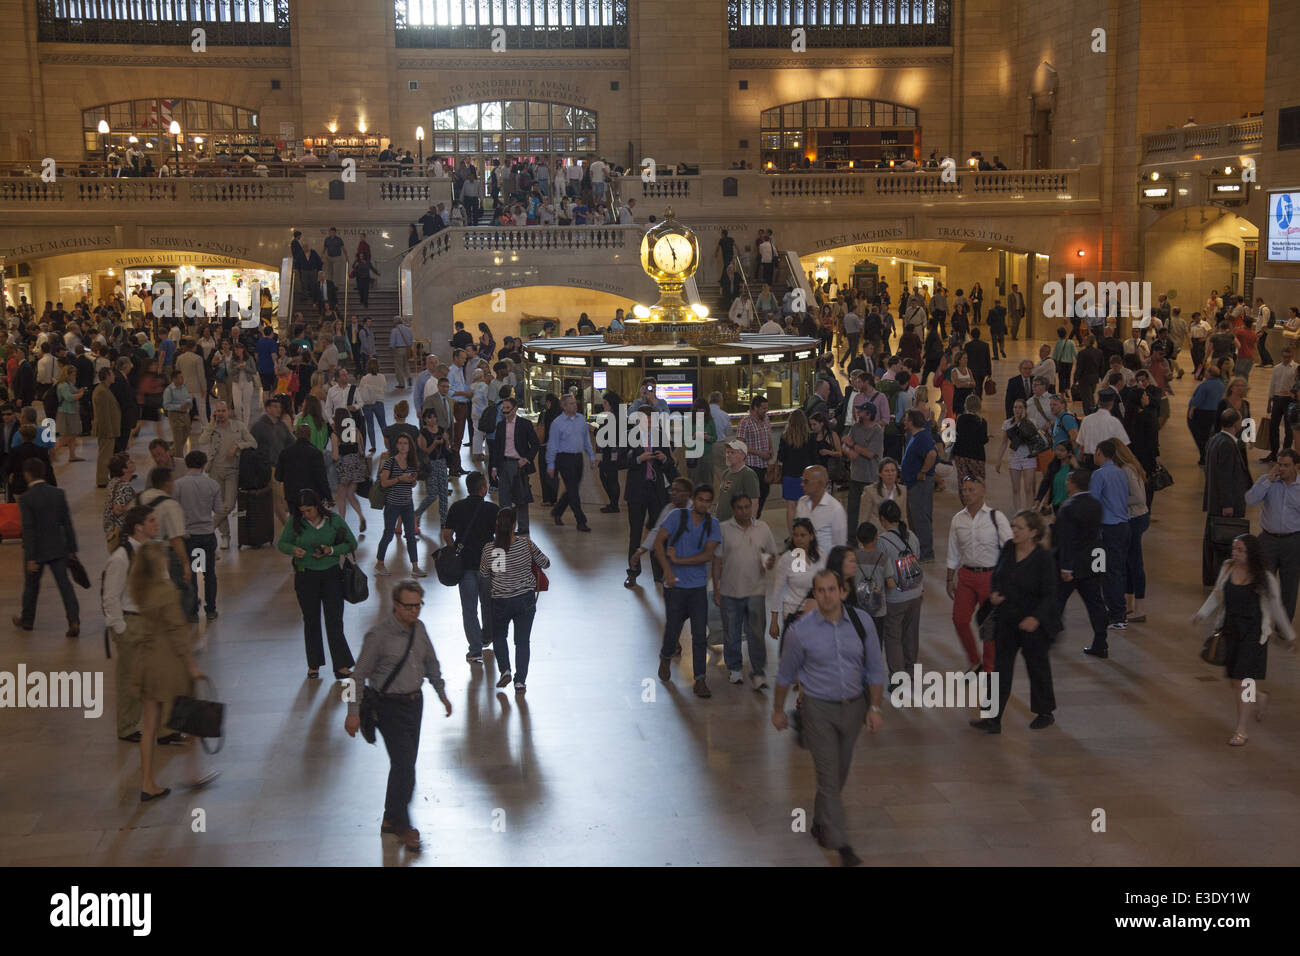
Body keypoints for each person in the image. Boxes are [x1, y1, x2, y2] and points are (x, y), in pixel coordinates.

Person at [772, 567, 886, 867]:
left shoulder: (863, 624)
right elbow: (784, 675)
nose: (825, 596)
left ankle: (821, 819)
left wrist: (874, 708)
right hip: (817, 710)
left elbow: (875, 669)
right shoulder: (801, 631)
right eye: (819, 590)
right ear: (815, 593)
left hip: (854, 708)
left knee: (839, 775)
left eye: (831, 589)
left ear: (843, 591)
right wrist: (777, 710)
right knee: (828, 775)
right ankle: (841, 844)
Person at [344, 579, 452, 852]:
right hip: (388, 707)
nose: (414, 612)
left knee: (406, 765)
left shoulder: (420, 629)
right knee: (404, 765)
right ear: (395, 605)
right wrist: (352, 713)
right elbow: (356, 677)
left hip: (415, 704)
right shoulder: (379, 636)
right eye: (409, 606)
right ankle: (404, 826)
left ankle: (391, 818)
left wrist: (441, 694)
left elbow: (431, 662)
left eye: (418, 606)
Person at [129, 540, 218, 802]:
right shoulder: (166, 591)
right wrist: (192, 666)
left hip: (146, 662)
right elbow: (177, 633)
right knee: (189, 717)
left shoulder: (140, 590)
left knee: (149, 727)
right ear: (159, 564)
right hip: (168, 663)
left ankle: (147, 783)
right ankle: (193, 773)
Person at [1193, 533, 1297, 747]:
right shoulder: (1228, 567)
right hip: (1231, 631)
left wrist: (1290, 635)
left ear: (1252, 553)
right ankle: (1259, 697)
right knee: (1235, 681)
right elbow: (1216, 594)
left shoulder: (1265, 577)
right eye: (1234, 549)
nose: (1235, 554)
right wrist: (1201, 614)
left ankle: (1241, 729)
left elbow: (1276, 608)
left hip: (1253, 635)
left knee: (1244, 681)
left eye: (1240, 550)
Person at [970, 510, 1060, 734]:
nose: (1014, 531)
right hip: (1007, 619)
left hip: (1032, 624)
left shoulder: (1043, 558)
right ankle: (992, 718)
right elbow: (997, 575)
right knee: (1000, 669)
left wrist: (1035, 618)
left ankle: (1044, 712)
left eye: (1019, 528)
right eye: (1013, 526)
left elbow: (1050, 594)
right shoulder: (1009, 547)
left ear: (1033, 532)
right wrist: (994, 594)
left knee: (1037, 667)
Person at [276, 489, 357, 680]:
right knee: (311, 620)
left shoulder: (333, 521)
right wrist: (294, 550)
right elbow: (282, 544)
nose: (306, 515)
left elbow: (351, 543)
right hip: (306, 576)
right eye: (303, 511)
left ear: (318, 507)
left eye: (309, 510)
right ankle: (314, 664)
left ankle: (341, 665)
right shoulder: (295, 523)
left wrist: (331, 550)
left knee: (334, 620)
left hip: (331, 576)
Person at [654, 485, 722, 697]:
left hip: (697, 588)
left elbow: (708, 555)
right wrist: (667, 570)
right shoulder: (677, 516)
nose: (703, 504)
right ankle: (665, 657)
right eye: (700, 499)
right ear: (693, 500)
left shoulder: (713, 524)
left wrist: (678, 560)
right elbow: (658, 543)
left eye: (707, 500)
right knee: (673, 631)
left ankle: (700, 679)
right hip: (675, 588)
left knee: (699, 635)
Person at [479, 508, 550, 693]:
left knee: (500, 636)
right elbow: (546, 563)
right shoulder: (526, 544)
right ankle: (520, 681)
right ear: (514, 525)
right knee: (522, 641)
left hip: (500, 600)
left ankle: (505, 670)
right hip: (525, 600)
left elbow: (486, 574)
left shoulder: (491, 549)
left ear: (497, 524)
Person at [947, 477, 1013, 673]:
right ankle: (975, 661)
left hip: (990, 577)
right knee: (959, 619)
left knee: (989, 626)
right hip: (966, 576)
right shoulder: (958, 519)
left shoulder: (996, 517)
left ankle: (989, 668)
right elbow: (953, 551)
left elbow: (1009, 549)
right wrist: (950, 578)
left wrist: (1007, 580)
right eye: (964, 490)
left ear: (982, 491)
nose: (967, 493)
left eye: (971, 490)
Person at [713, 492, 778, 688]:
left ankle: (758, 672)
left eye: (747, 507)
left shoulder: (763, 528)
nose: (744, 511)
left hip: (756, 590)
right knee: (731, 632)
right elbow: (717, 560)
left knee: (756, 633)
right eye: (740, 508)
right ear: (733, 510)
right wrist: (716, 589)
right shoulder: (724, 529)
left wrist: (768, 562)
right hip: (729, 590)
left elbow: (771, 555)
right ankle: (734, 669)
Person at [11, 459, 79, 637]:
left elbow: (29, 528)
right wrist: (72, 548)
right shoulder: (58, 494)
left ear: (27, 475)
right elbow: (67, 523)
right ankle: (73, 621)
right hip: (58, 547)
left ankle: (27, 620)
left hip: (37, 550)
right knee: (65, 586)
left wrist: (31, 556)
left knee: (31, 587)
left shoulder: (26, 499)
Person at [443, 471, 499, 663]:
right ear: (483, 489)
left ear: (468, 488)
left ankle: (475, 649)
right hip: (488, 566)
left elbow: (447, 534)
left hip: (465, 565)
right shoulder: (493, 510)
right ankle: (487, 636)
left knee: (469, 608)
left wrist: (454, 550)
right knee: (488, 604)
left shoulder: (457, 507)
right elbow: (501, 538)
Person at [1246, 449, 1300, 622]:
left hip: (1292, 541)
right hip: (1267, 540)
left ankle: (1283, 626)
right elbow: (1250, 500)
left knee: (1289, 586)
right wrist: (1268, 481)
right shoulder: (1267, 481)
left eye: (1286, 465)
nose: (1281, 468)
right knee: (1262, 583)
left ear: (1296, 467)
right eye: (1279, 464)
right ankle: (1260, 621)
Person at [195, 400, 258, 549]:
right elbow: (202, 441)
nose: (221, 414)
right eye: (218, 411)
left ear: (228, 411)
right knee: (218, 505)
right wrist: (210, 424)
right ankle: (225, 536)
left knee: (229, 505)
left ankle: (208, 528)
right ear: (214, 413)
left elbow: (253, 443)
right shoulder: (212, 428)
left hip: (232, 471)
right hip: (215, 471)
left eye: (223, 411)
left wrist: (238, 446)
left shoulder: (238, 426)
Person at [1202, 407, 1252, 587]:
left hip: (1214, 501)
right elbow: (1225, 476)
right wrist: (1228, 504)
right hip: (1225, 504)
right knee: (1224, 542)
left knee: (1212, 540)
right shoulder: (1227, 444)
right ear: (1236, 424)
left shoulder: (1215, 440)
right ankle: (1221, 578)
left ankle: (1211, 576)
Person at [874, 498, 923, 678]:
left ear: (882, 519)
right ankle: (910, 672)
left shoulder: (882, 541)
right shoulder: (912, 536)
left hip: (895, 597)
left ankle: (897, 676)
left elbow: (881, 571)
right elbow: (917, 561)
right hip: (915, 593)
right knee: (911, 635)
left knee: (893, 637)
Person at [173, 450, 223, 623]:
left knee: (192, 573)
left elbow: (175, 509)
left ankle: (193, 609)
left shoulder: (179, 485)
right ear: (203, 465)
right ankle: (211, 609)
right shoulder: (212, 484)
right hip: (207, 535)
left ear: (187, 465)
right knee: (209, 574)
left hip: (190, 537)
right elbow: (218, 510)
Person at [1090, 439, 1133, 632]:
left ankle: (1117, 614)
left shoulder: (1099, 475)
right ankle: (1117, 611)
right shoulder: (1121, 473)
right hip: (1123, 527)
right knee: (1117, 571)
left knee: (1105, 572)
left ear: (1100, 452)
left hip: (1106, 530)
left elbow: (1094, 504)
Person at [1108, 441, 1150, 625]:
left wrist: (1117, 499)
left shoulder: (1126, 469)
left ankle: (1139, 608)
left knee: (1135, 563)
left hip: (1135, 518)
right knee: (1129, 561)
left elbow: (1139, 498)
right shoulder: (1129, 466)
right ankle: (1129, 603)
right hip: (1133, 518)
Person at [374, 433, 425, 577]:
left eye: (406, 443)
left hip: (407, 503)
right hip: (392, 504)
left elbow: (413, 483)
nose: (403, 446)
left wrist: (412, 481)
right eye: (401, 443)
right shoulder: (390, 462)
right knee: (388, 534)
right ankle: (379, 563)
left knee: (410, 535)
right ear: (396, 446)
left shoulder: (412, 463)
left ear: (410, 447)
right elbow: (384, 483)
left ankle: (415, 567)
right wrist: (399, 479)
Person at [546, 393, 595, 533]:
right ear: (564, 406)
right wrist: (551, 465)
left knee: (572, 489)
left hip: (578, 458)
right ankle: (581, 521)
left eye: (575, 403)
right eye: (571, 403)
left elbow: (586, 441)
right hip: (564, 459)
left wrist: (591, 456)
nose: (575, 405)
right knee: (573, 490)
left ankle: (557, 511)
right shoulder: (557, 423)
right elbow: (552, 445)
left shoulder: (581, 420)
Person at [899, 408, 940, 560]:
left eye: (906, 419)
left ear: (911, 421)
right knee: (914, 518)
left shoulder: (922, 436)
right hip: (913, 484)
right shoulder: (917, 435)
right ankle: (918, 550)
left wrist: (923, 471)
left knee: (921, 517)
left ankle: (926, 553)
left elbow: (932, 454)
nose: (904, 421)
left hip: (920, 485)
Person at [841, 401, 883, 534]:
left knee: (871, 513)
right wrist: (849, 451)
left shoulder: (877, 431)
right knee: (853, 511)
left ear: (868, 414)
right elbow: (844, 444)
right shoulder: (855, 427)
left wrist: (853, 445)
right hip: (855, 477)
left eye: (860, 412)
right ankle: (852, 539)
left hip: (871, 479)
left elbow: (870, 453)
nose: (857, 414)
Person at [996, 398, 1040, 512]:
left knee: (1028, 488)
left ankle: (1029, 513)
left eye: (1020, 407)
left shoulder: (1032, 422)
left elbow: (1033, 437)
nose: (1017, 410)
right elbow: (1004, 443)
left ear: (1025, 409)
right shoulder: (1007, 423)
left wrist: (1024, 419)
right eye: (1015, 407)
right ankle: (1018, 512)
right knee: (1016, 488)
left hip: (1028, 457)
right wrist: (999, 459)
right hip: (1014, 457)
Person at [737, 394, 774, 516]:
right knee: (753, 495)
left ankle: (756, 516)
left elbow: (768, 435)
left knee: (764, 492)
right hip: (751, 465)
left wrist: (771, 449)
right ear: (755, 408)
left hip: (764, 465)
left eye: (766, 408)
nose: (766, 411)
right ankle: (750, 517)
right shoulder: (745, 422)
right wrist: (759, 453)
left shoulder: (766, 420)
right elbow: (740, 445)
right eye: (763, 408)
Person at [713, 438, 759, 522]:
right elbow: (722, 496)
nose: (728, 455)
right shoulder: (726, 473)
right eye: (727, 452)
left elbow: (754, 502)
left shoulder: (748, 474)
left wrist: (750, 525)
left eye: (732, 452)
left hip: (737, 524)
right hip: (721, 521)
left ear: (743, 456)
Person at [389, 316, 414, 389]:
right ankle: (409, 377)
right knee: (406, 364)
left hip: (398, 349)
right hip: (407, 349)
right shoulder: (408, 329)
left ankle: (401, 383)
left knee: (398, 367)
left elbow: (392, 343)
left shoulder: (394, 330)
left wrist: (391, 349)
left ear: (395, 322)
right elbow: (411, 340)